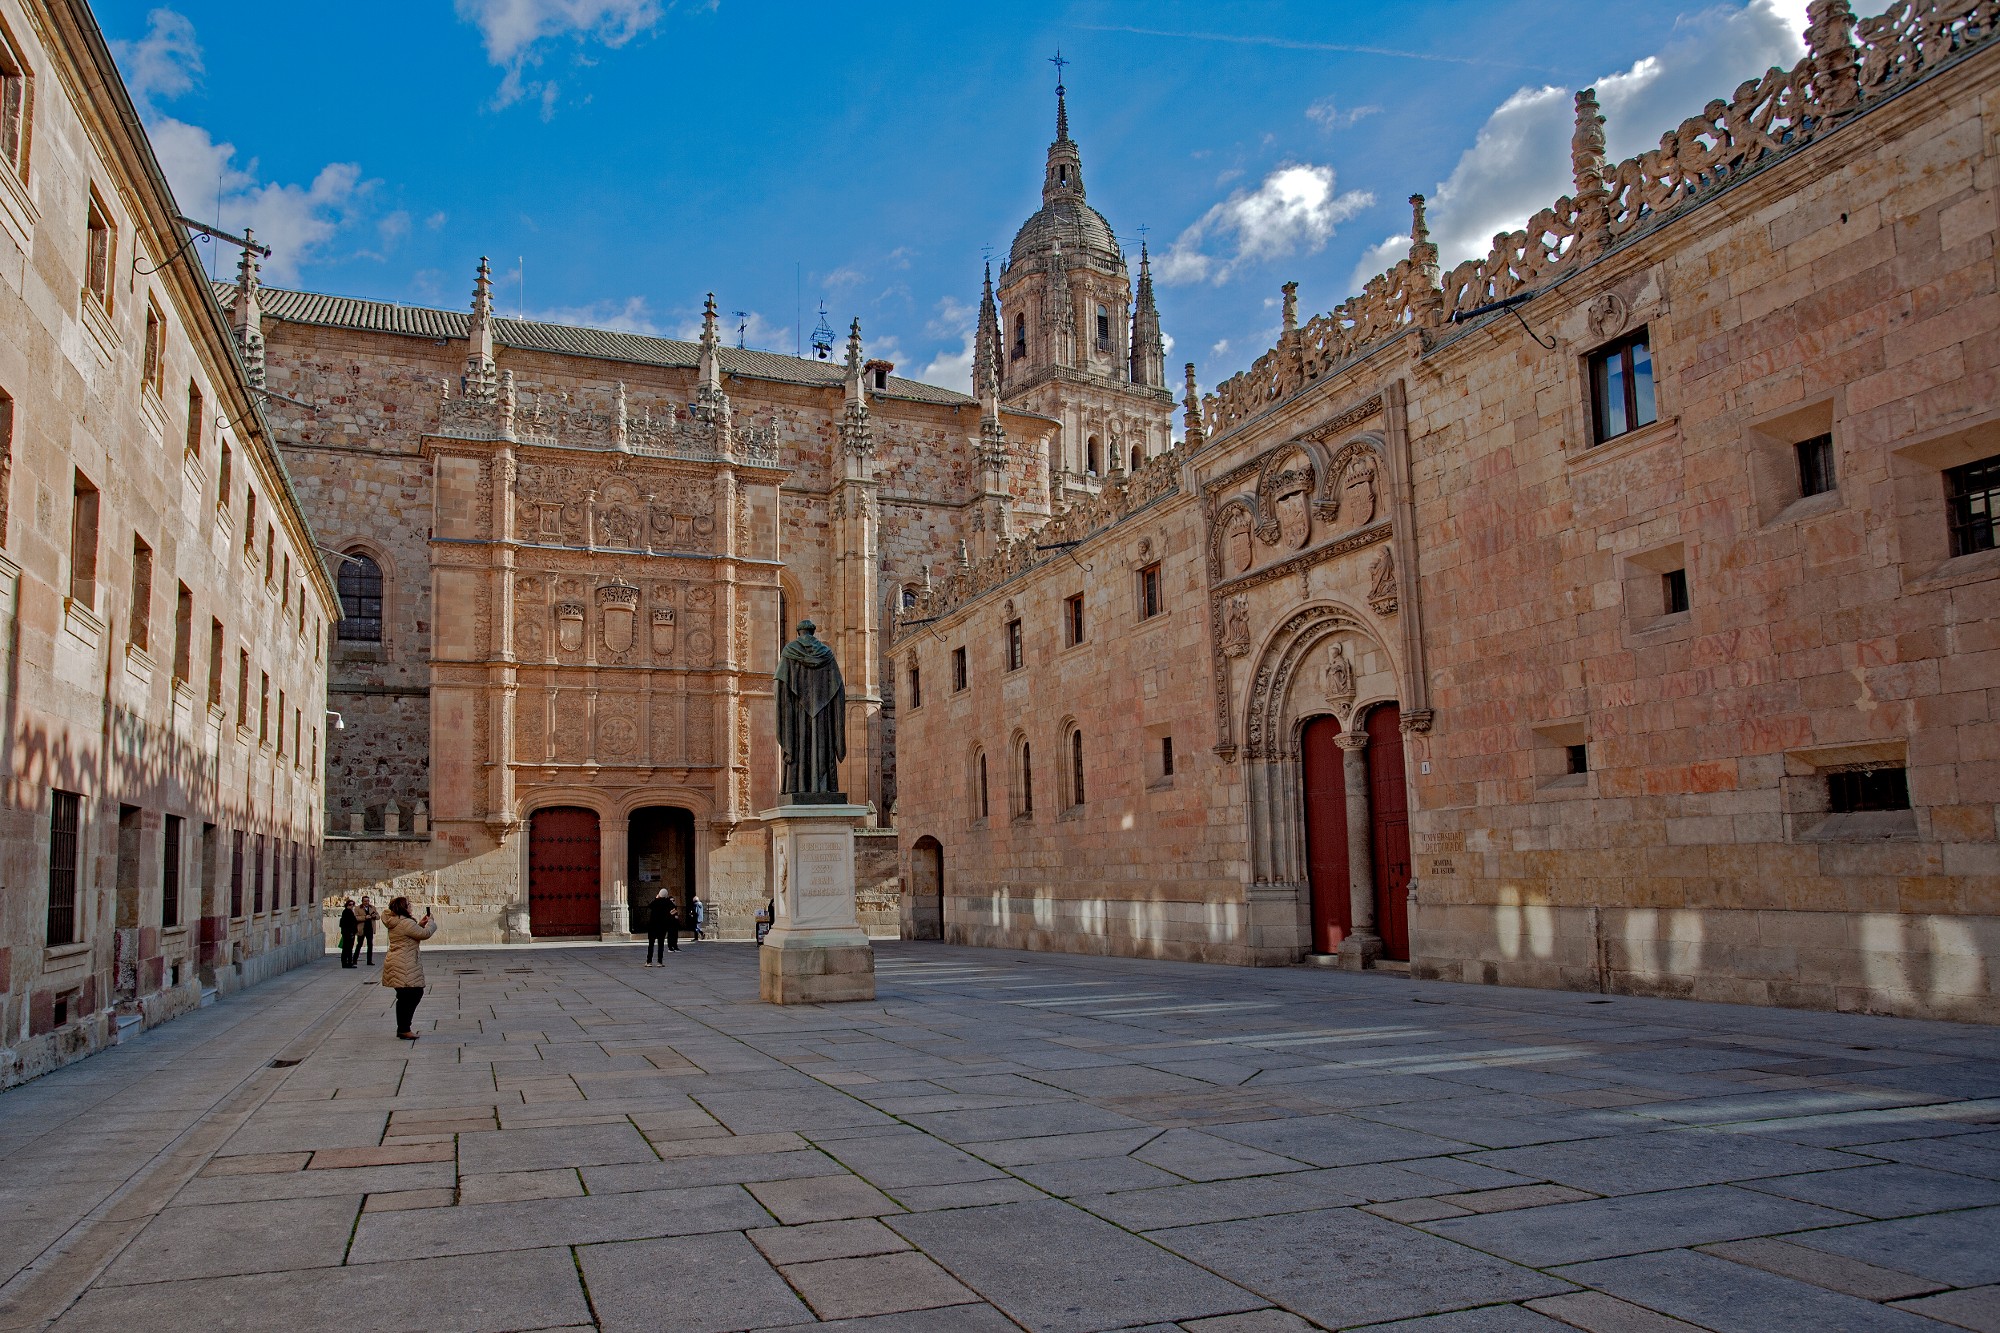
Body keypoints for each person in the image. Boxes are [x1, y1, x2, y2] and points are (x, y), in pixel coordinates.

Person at [380, 896, 436, 1039]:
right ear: (404, 908)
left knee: (405, 995)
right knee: (413, 993)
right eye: (409, 904)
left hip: (398, 961)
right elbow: (424, 934)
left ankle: (403, 1028)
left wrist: (420, 924)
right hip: (403, 963)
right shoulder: (405, 923)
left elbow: (410, 933)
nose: (411, 906)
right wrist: (431, 923)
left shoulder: (398, 921)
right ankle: (404, 1028)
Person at [645, 890, 675, 967]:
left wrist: (656, 898)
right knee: (660, 944)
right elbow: (674, 910)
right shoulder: (668, 902)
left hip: (653, 926)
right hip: (662, 926)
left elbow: (650, 906)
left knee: (651, 944)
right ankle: (659, 962)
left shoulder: (655, 902)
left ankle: (649, 962)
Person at [357, 895, 380, 965]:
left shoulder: (372, 908)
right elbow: (356, 918)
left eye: (367, 901)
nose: (366, 902)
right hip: (362, 929)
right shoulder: (358, 908)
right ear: (362, 901)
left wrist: (374, 916)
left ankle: (369, 961)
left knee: (370, 945)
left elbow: (378, 916)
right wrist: (365, 917)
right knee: (359, 945)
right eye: (365, 901)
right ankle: (354, 959)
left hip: (370, 929)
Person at [338, 898, 359, 968]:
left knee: (349, 948)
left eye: (353, 905)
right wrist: (351, 932)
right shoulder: (347, 912)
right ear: (347, 905)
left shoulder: (350, 912)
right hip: (348, 933)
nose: (351, 906)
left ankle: (349, 962)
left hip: (350, 933)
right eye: (350, 905)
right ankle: (347, 963)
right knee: (347, 948)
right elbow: (347, 923)